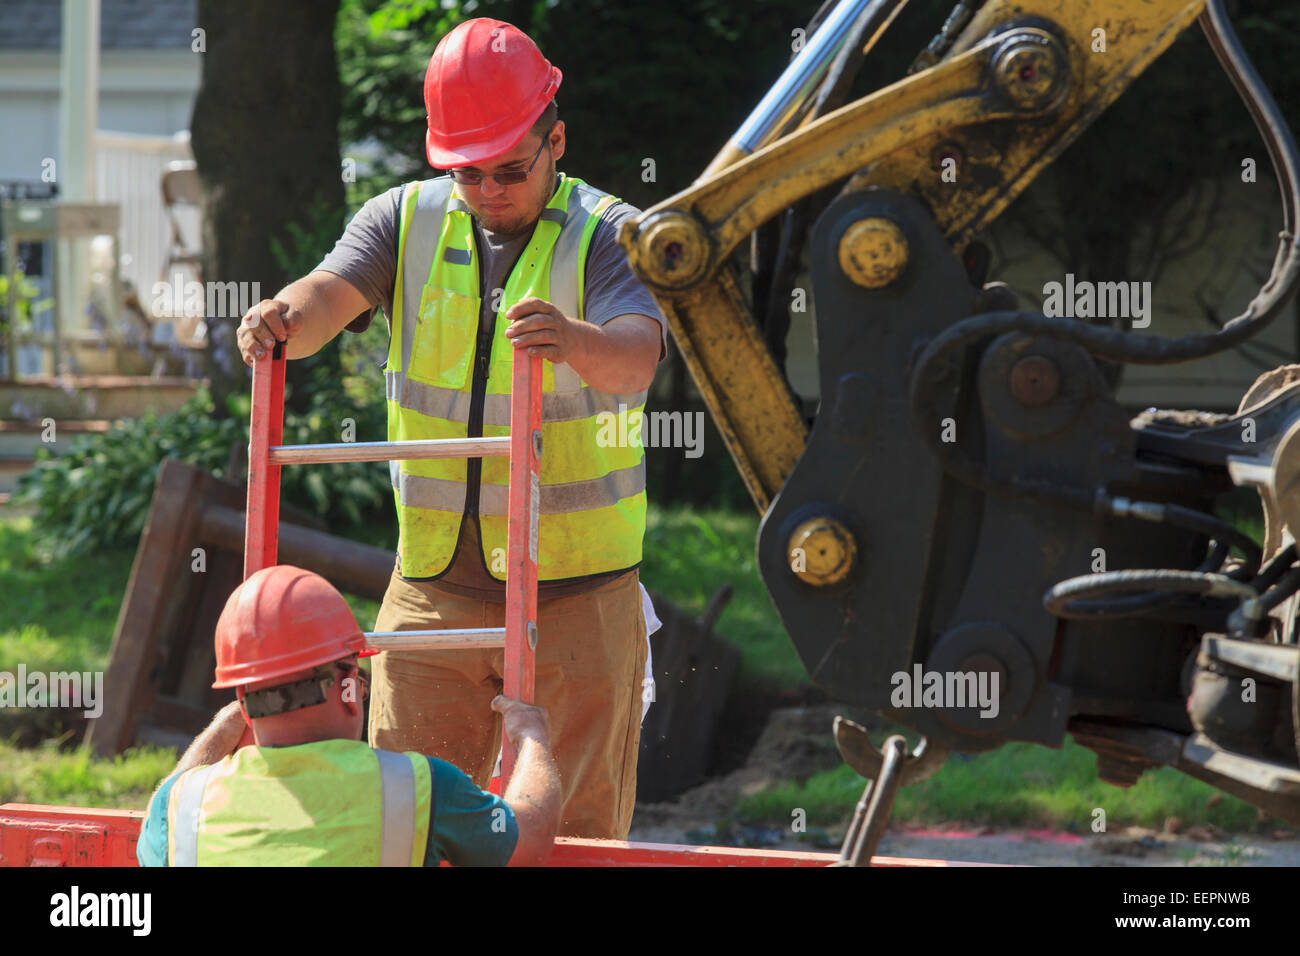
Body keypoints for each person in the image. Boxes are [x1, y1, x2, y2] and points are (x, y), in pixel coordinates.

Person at [235, 17, 666, 840]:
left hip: (578, 593)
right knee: (406, 823)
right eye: (467, 173)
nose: (489, 190)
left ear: (557, 141)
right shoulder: (402, 218)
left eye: (510, 168)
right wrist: (281, 316)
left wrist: (574, 341)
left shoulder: (608, 232)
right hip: (434, 587)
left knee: (574, 839)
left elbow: (636, 361)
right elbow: (329, 294)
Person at [135, 565, 562, 866]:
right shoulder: (419, 788)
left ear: (243, 701)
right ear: (347, 687)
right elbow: (530, 839)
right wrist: (533, 738)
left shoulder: (182, 806)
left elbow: (159, 812)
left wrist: (224, 725)